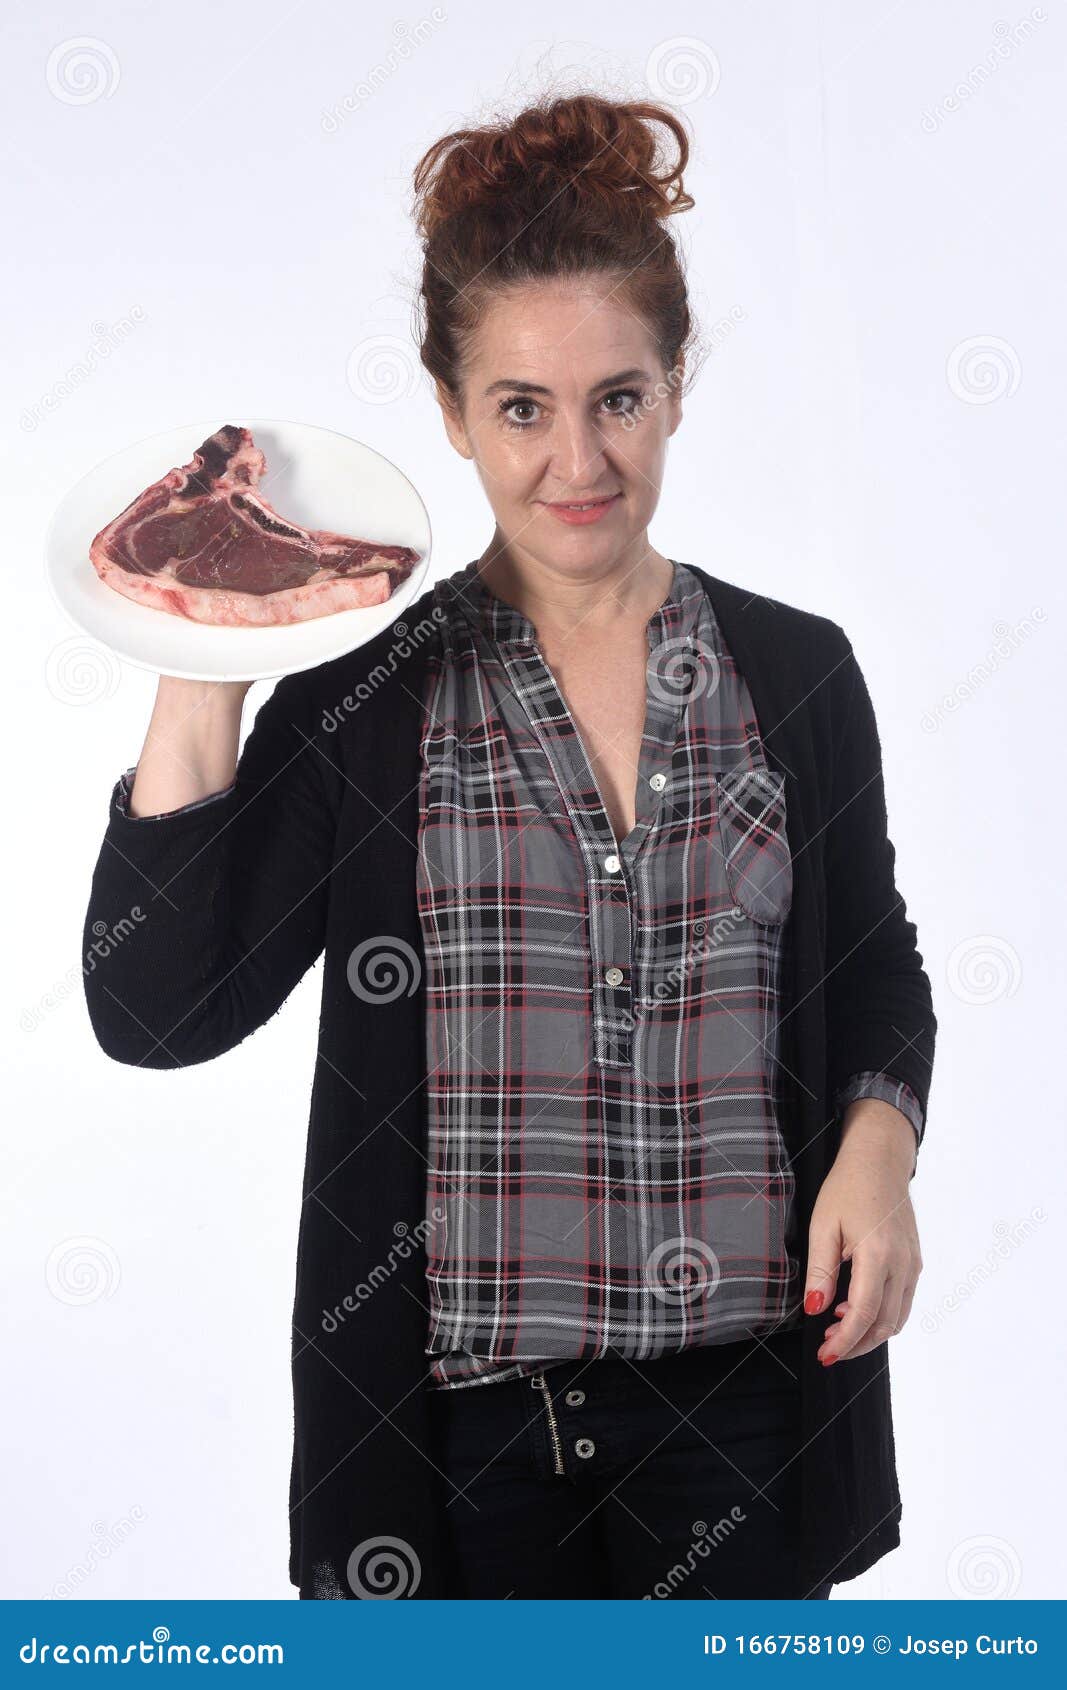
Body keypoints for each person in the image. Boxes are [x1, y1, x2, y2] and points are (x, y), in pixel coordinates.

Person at [82, 92, 936, 1600]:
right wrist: (197, 640)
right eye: (521, 408)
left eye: (619, 396)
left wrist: (882, 1139)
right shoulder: (370, 698)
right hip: (456, 1456)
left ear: (676, 387)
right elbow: (157, 1008)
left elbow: (874, 961)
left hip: (742, 1419)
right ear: (452, 410)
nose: (575, 461)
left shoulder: (797, 677)